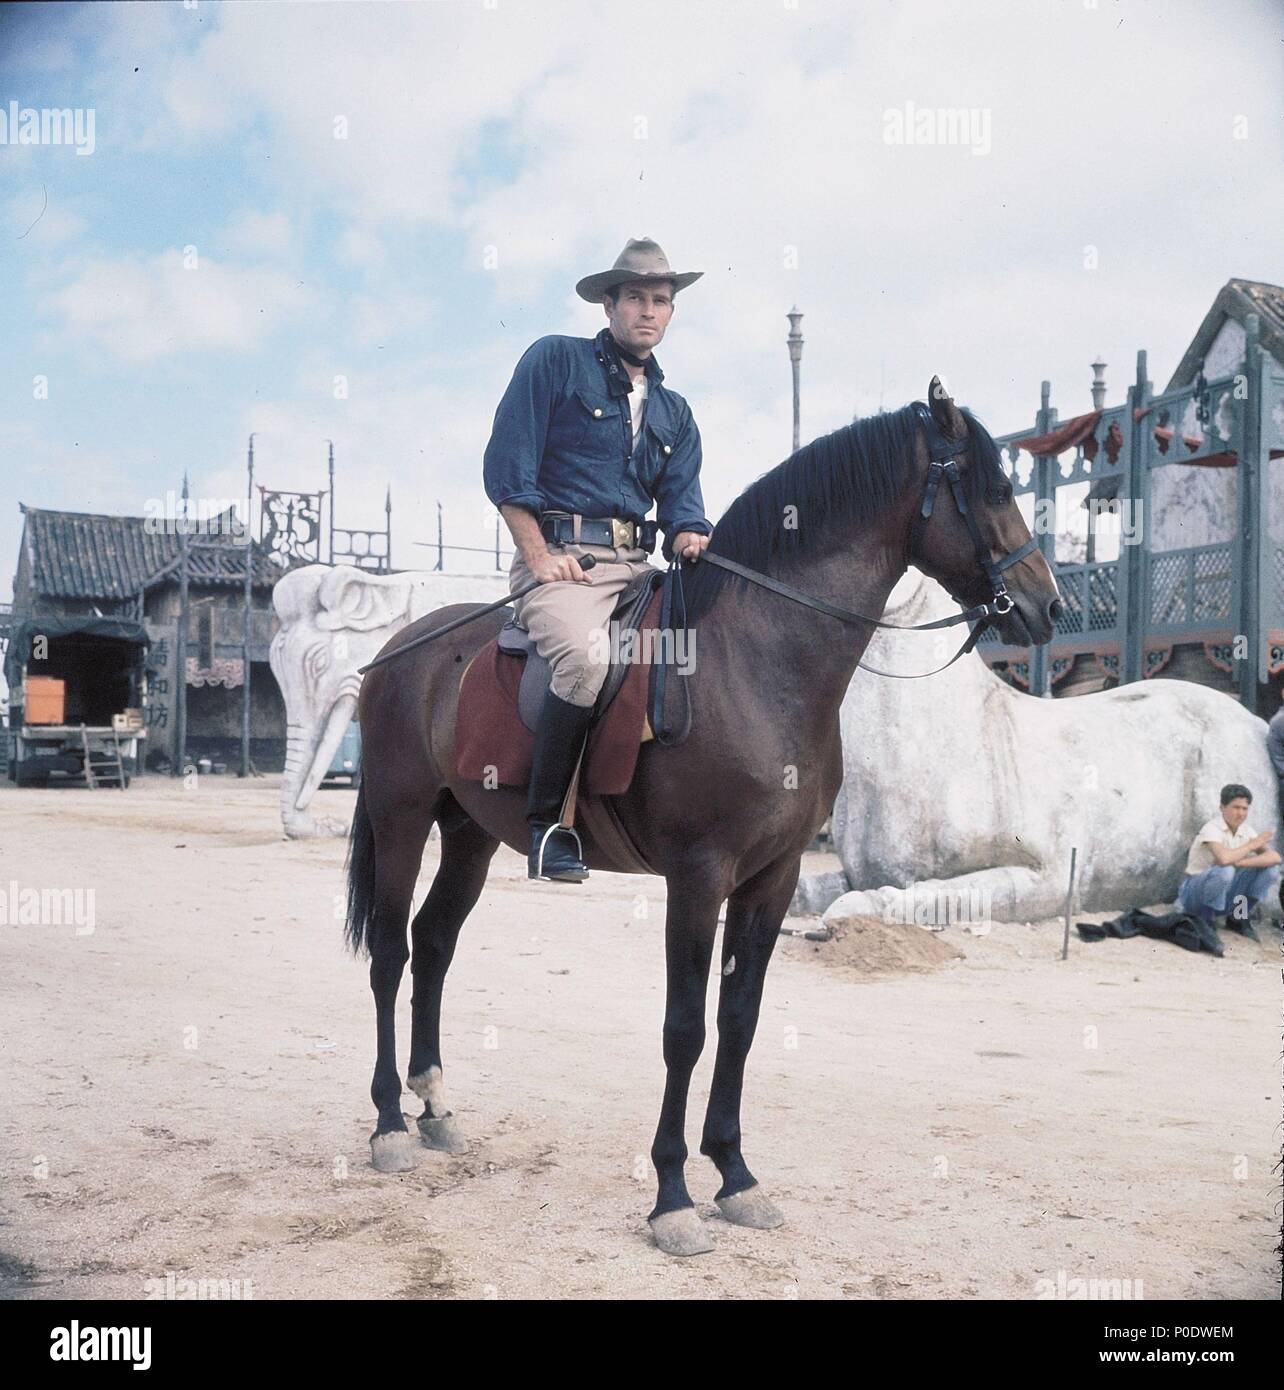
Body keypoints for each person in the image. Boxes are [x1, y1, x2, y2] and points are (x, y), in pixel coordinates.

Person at [482, 238, 712, 883]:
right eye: (635, 297)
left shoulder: (676, 411)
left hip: (638, 566)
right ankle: (548, 827)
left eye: (660, 301)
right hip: (564, 563)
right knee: (586, 660)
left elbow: (683, 507)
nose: (648, 311)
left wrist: (692, 535)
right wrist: (538, 555)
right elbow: (508, 467)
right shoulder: (556, 362)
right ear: (608, 303)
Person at [1176, 783, 1281, 942]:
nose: (1240, 813)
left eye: (1245, 809)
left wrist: (1240, 862)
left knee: (1270, 870)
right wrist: (1252, 845)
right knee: (1225, 871)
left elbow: (1275, 858)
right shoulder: (1211, 828)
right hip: (1193, 896)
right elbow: (1224, 859)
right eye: (1235, 807)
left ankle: (1238, 917)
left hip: (1223, 895)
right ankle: (1206, 920)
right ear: (1222, 807)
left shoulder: (1246, 830)